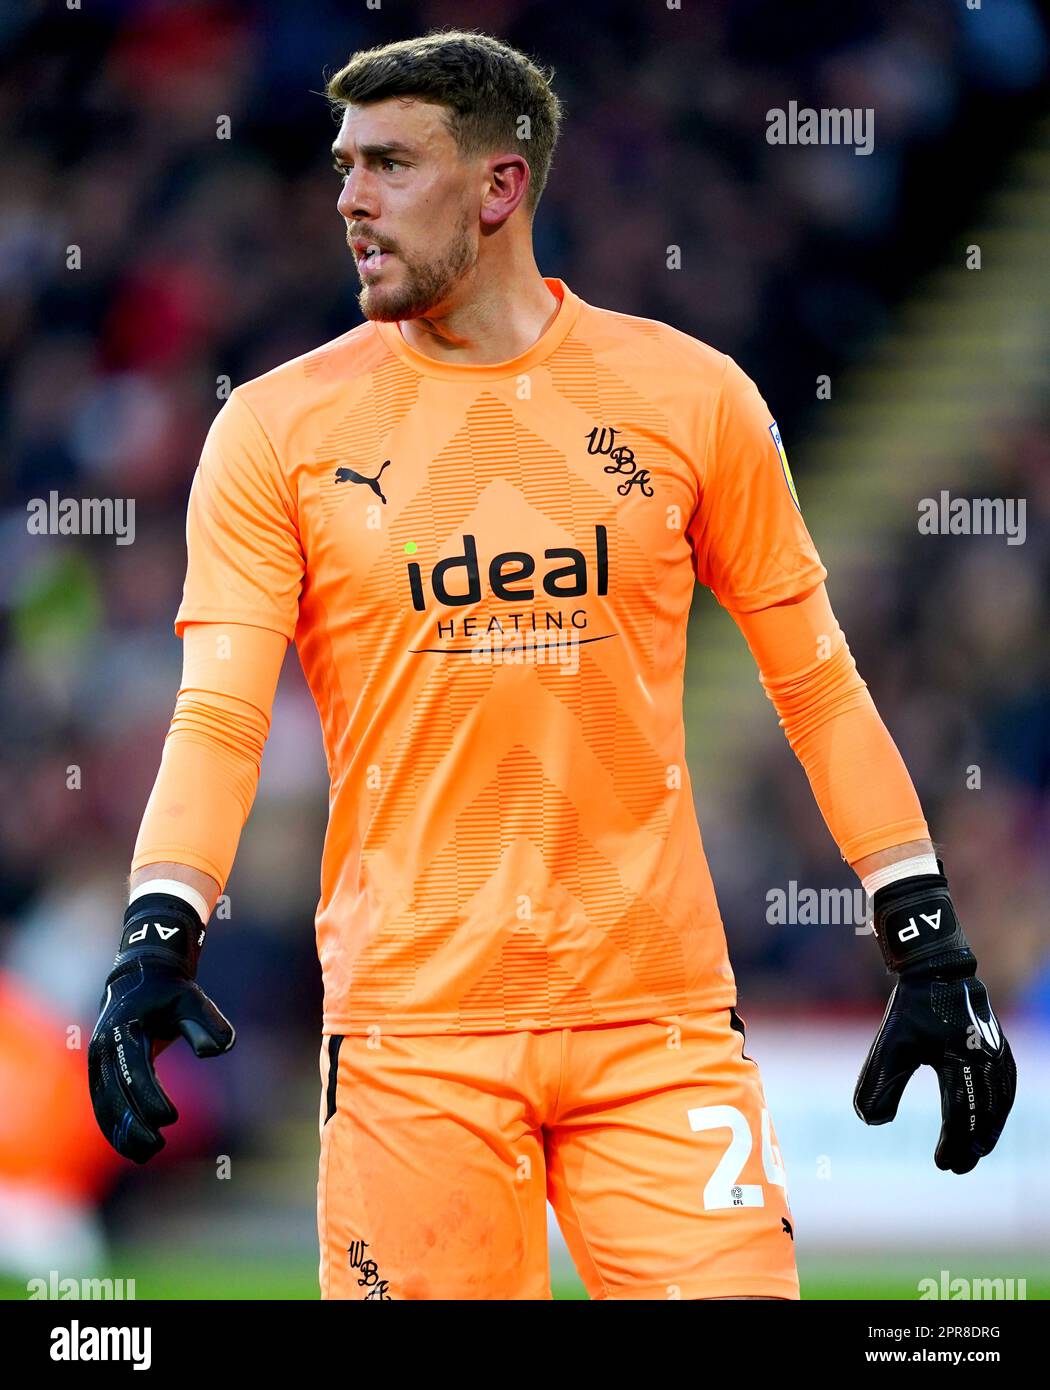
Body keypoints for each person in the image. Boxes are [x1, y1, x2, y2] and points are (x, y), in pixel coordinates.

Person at [88, 29, 1015, 1301]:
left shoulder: (694, 400)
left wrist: (926, 938)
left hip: (659, 1024)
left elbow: (816, 680)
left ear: (499, 187)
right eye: (344, 165)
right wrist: (158, 932)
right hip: (414, 1035)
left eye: (392, 164)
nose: (350, 199)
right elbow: (220, 719)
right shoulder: (274, 432)